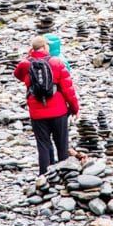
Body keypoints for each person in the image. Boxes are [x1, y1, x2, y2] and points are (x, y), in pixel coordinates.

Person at [13, 36, 80, 174]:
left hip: (37, 113)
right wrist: (74, 108)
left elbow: (18, 75)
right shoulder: (57, 62)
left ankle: (44, 177)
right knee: (62, 144)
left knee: (43, 144)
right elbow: (68, 89)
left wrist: (29, 56)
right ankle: (64, 174)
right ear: (44, 47)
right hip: (59, 111)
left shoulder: (26, 64)